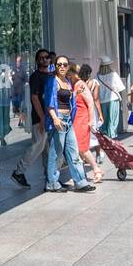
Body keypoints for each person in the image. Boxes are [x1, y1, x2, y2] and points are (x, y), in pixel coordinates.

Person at [44, 56, 94, 193]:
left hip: (68, 120)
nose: (62, 67)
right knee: (57, 153)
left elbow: (65, 97)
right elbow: (49, 102)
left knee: (73, 151)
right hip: (59, 119)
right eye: (59, 64)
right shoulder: (52, 81)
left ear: (68, 67)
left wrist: (73, 94)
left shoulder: (67, 81)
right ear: (55, 66)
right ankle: (52, 183)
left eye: (64, 64)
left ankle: (80, 181)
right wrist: (55, 119)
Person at [11, 48, 54, 187]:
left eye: (46, 57)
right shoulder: (36, 76)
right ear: (37, 60)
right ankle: (18, 171)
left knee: (48, 148)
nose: (44, 59)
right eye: (41, 58)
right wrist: (42, 118)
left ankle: (50, 176)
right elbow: (34, 98)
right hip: (40, 117)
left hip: (50, 117)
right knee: (38, 146)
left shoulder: (51, 75)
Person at [72, 64, 104, 182]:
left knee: (83, 148)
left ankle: (96, 170)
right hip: (77, 120)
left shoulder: (80, 84)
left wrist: (91, 120)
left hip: (82, 120)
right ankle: (83, 174)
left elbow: (91, 101)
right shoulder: (75, 85)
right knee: (79, 148)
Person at [95, 57, 126, 138]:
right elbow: (120, 88)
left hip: (102, 101)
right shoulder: (113, 74)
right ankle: (112, 136)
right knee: (113, 119)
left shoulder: (97, 76)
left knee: (105, 120)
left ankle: (105, 136)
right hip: (113, 99)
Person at [11, 55, 27, 129]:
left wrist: (26, 85)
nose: (18, 62)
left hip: (21, 92)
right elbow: (10, 79)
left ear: (21, 62)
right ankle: (21, 118)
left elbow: (27, 80)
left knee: (21, 107)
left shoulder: (23, 70)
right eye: (17, 61)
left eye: (19, 61)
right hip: (14, 92)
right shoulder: (13, 70)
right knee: (15, 109)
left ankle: (20, 121)